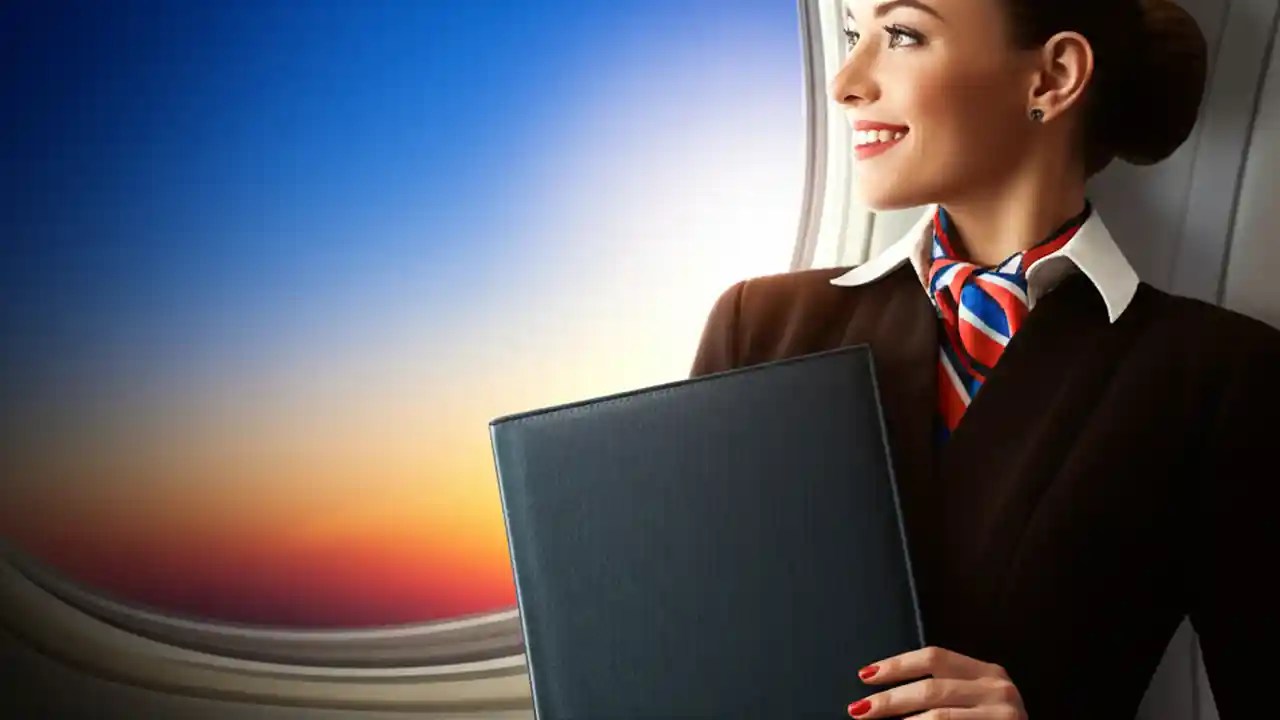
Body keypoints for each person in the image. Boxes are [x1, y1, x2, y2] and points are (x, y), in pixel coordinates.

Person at [689, 0, 1279, 717]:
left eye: (901, 35)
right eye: (851, 35)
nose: (844, 81)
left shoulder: (1220, 377)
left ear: (1052, 77)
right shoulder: (761, 327)